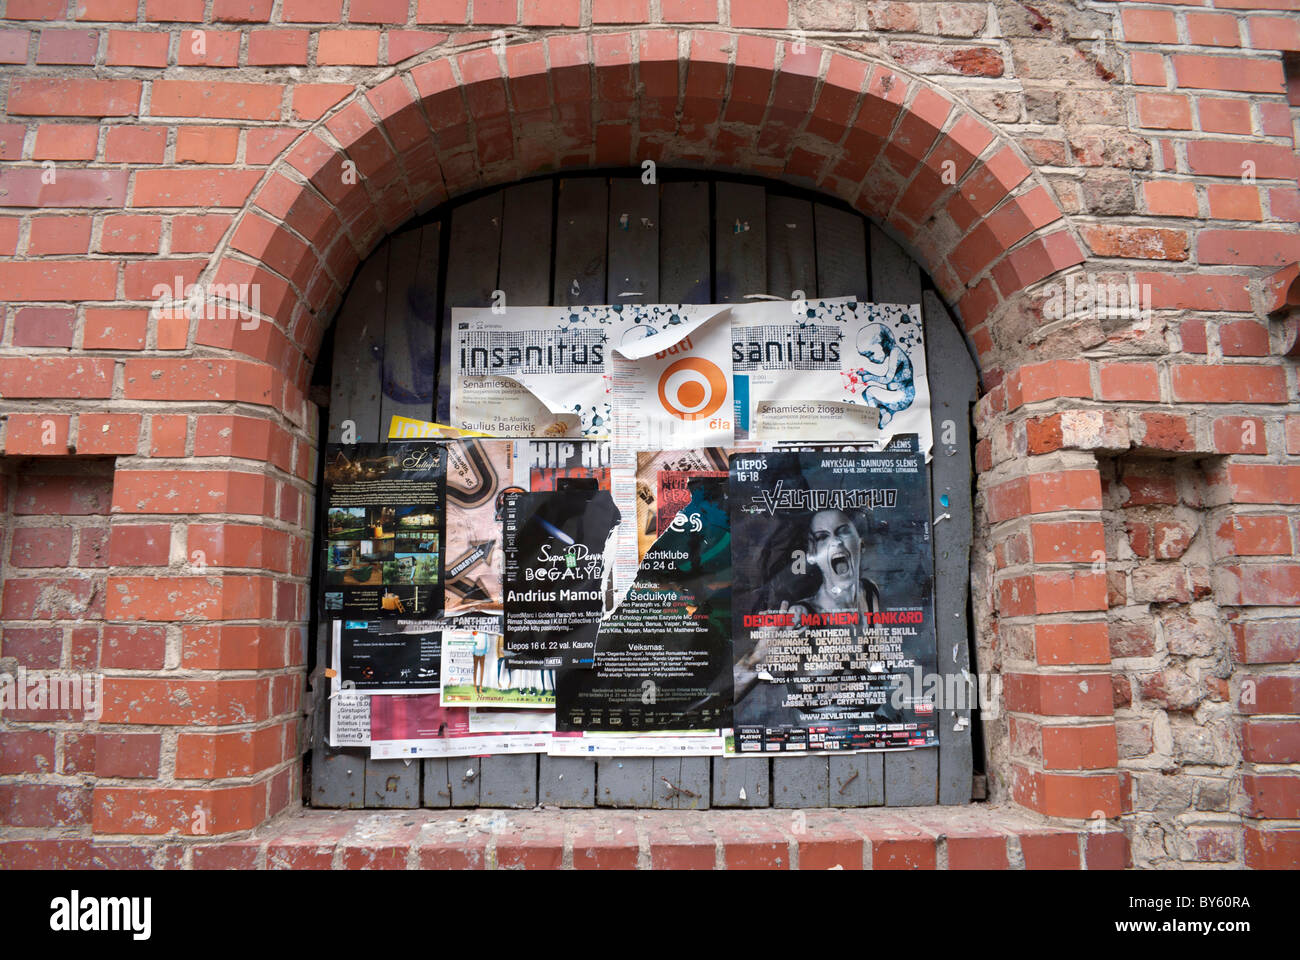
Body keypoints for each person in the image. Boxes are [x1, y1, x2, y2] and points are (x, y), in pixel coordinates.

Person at [733, 508, 882, 706]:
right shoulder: (799, 617)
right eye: (822, 537)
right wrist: (761, 653)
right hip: (813, 732)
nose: (835, 542)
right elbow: (727, 696)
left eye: (843, 531)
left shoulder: (869, 592)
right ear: (811, 555)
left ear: (860, 544)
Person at [851, 322, 915, 427]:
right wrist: (867, 373)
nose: (870, 359)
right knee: (872, 395)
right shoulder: (895, 352)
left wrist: (870, 377)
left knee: (869, 392)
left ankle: (876, 417)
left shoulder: (895, 352)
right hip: (901, 396)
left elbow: (887, 379)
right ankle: (886, 414)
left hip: (903, 397)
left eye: (870, 354)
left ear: (883, 342)